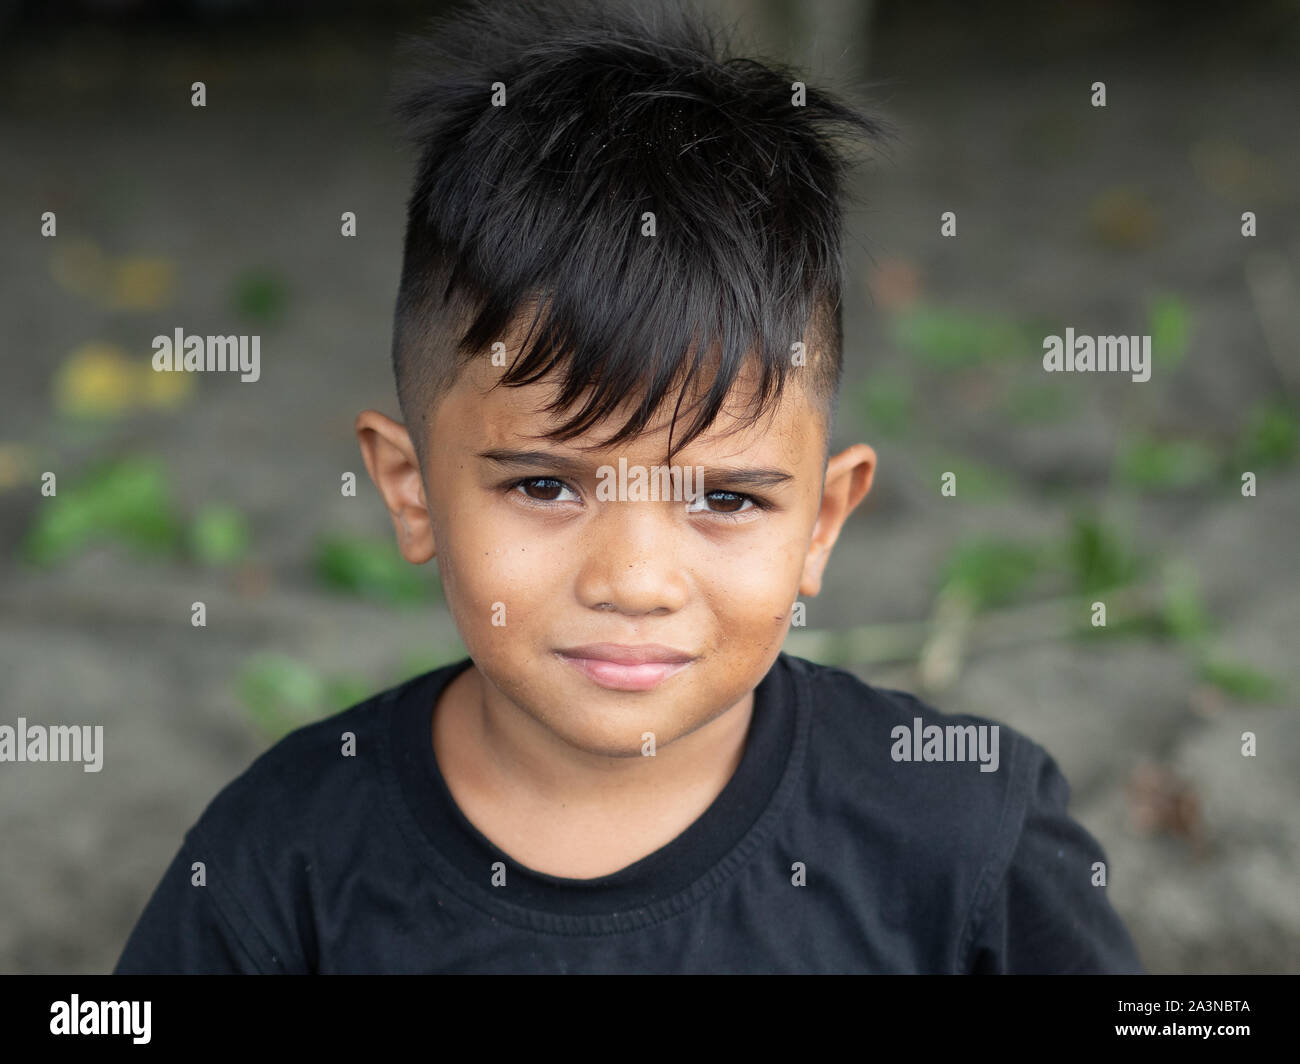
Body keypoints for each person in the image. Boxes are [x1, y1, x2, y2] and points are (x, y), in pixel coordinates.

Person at [115, 0, 1142, 974]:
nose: (636, 579)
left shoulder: (961, 824)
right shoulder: (280, 860)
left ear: (823, 520)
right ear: (411, 488)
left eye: (727, 499)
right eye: (546, 487)